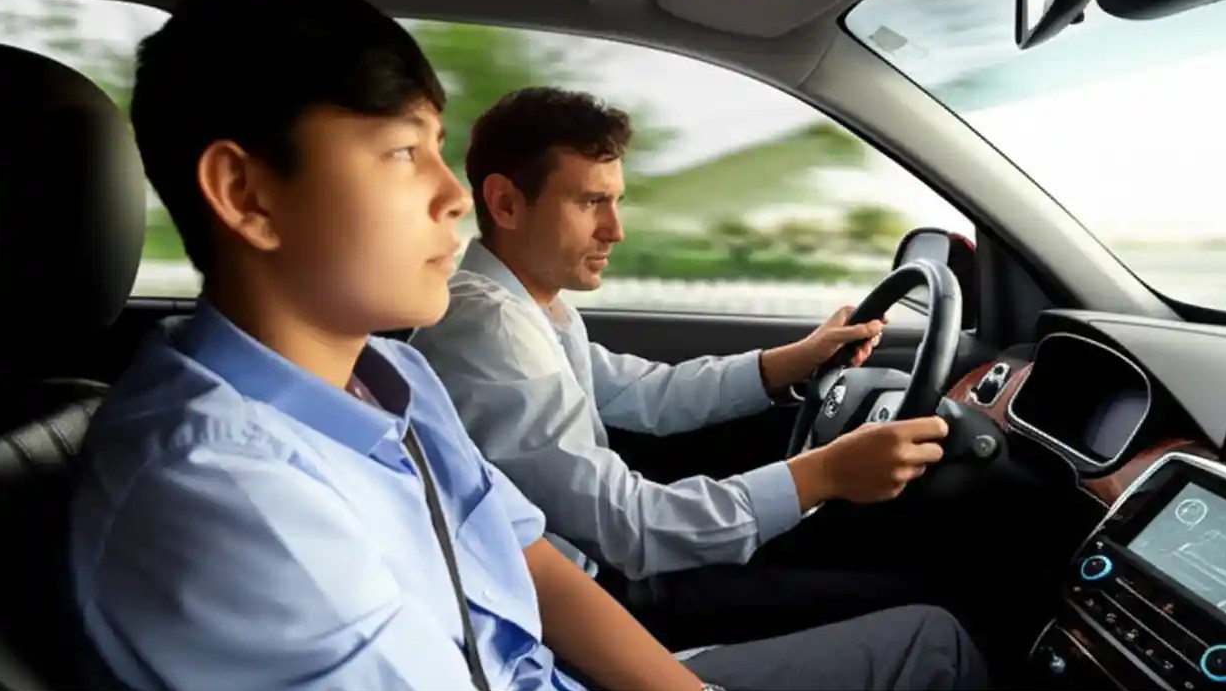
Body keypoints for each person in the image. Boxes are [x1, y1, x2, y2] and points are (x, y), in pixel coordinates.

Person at [68, 0, 988, 691]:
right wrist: (821, 474)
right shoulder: (226, 496)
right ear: (247, 195)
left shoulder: (388, 376)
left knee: (928, 637)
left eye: (438, 147)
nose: (452, 195)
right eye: (401, 154)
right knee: (936, 642)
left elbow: (534, 561)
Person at [408, 87, 978, 649]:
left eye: (617, 202)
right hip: (578, 609)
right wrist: (823, 475)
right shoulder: (489, 326)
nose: (615, 230)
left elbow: (645, 393)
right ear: (506, 204)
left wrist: (789, 363)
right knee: (933, 617)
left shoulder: (533, 307)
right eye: (588, 203)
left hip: (598, 579)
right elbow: (627, 525)